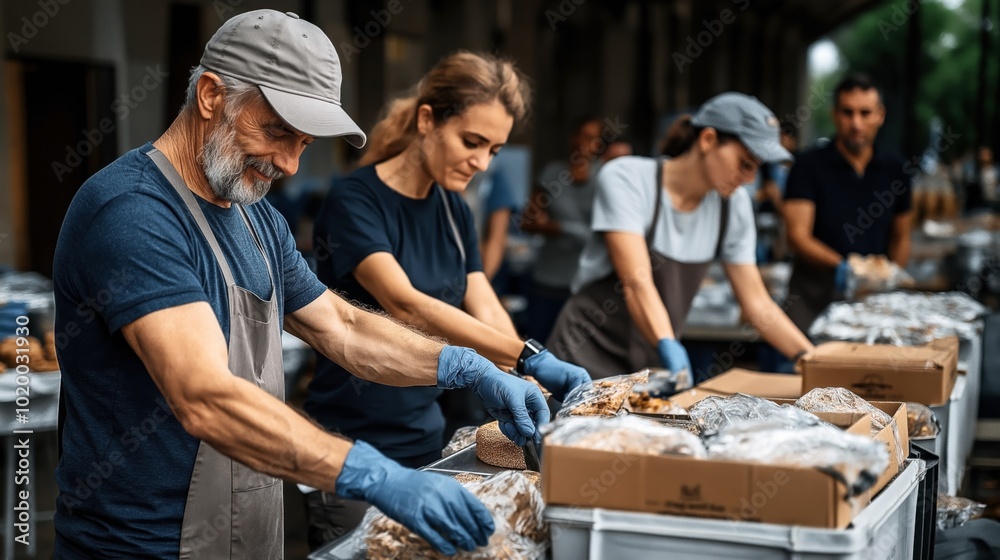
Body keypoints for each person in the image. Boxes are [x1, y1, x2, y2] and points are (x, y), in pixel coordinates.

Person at [51, 12, 548, 559]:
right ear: (212, 95)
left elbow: (344, 326)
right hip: (144, 546)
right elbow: (204, 396)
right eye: (276, 131)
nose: (288, 163)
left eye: (304, 143)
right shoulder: (134, 212)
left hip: (249, 531)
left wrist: (466, 366)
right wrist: (375, 474)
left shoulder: (255, 218)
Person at [305, 51, 590, 548]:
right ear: (427, 120)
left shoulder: (454, 211)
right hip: (352, 450)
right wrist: (525, 356)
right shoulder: (356, 199)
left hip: (427, 441)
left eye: (495, 150)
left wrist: (526, 368)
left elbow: (483, 301)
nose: (481, 162)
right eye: (472, 142)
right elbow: (406, 304)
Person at [547, 92, 814, 378]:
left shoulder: (733, 206)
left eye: (756, 169)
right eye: (745, 164)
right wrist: (669, 344)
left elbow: (757, 304)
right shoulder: (627, 179)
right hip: (582, 357)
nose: (749, 179)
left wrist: (812, 360)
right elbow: (637, 283)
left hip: (648, 368)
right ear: (708, 139)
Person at [783, 74, 914, 332]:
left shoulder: (896, 169)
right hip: (812, 299)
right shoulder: (808, 166)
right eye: (847, 113)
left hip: (871, 301)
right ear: (834, 115)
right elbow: (797, 236)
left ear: (880, 115)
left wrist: (890, 277)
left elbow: (901, 236)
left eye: (865, 113)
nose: (856, 123)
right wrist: (846, 268)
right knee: (803, 367)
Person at [520, 117, 604, 343]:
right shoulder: (552, 173)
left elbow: (605, 234)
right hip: (547, 278)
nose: (585, 143)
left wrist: (558, 227)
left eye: (593, 138)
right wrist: (564, 229)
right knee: (538, 345)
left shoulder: (604, 178)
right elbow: (528, 221)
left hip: (583, 282)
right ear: (572, 137)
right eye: (582, 136)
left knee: (576, 350)